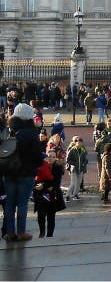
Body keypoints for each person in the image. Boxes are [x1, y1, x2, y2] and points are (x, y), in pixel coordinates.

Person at [2, 103, 43, 242]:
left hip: (8, 171)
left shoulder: (8, 131)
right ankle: (21, 232)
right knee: (22, 204)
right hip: (26, 173)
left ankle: (10, 233)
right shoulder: (31, 133)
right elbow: (38, 156)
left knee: (9, 204)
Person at [33, 149, 65, 238]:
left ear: (56, 158)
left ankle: (49, 235)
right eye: (49, 156)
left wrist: (44, 185)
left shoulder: (57, 166)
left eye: (53, 157)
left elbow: (56, 182)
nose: (50, 158)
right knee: (41, 215)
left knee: (51, 216)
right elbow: (36, 178)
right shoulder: (41, 164)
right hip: (40, 194)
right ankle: (42, 232)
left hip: (52, 195)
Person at [65, 136, 87, 202]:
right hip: (74, 169)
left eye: (80, 142)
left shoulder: (83, 150)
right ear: (75, 143)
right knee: (73, 183)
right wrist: (74, 164)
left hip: (81, 169)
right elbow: (68, 159)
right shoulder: (72, 150)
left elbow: (85, 159)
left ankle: (75, 195)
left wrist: (84, 162)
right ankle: (67, 196)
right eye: (78, 142)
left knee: (79, 183)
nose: (79, 143)